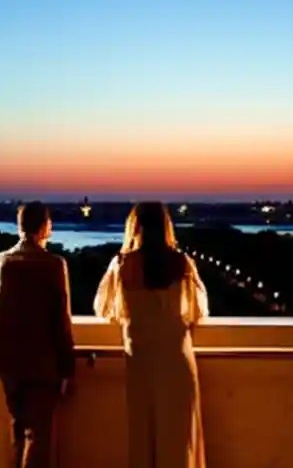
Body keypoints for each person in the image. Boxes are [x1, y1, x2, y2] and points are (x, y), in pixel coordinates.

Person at [94, 201, 209, 468]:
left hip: (141, 361)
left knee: (143, 439)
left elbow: (105, 308)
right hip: (176, 358)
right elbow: (195, 311)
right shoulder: (181, 263)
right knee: (178, 439)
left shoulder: (123, 265)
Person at [0, 201, 76, 468]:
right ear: (45, 227)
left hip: (8, 363)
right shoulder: (53, 265)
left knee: (18, 433)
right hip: (42, 363)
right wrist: (67, 367)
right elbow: (60, 320)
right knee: (38, 436)